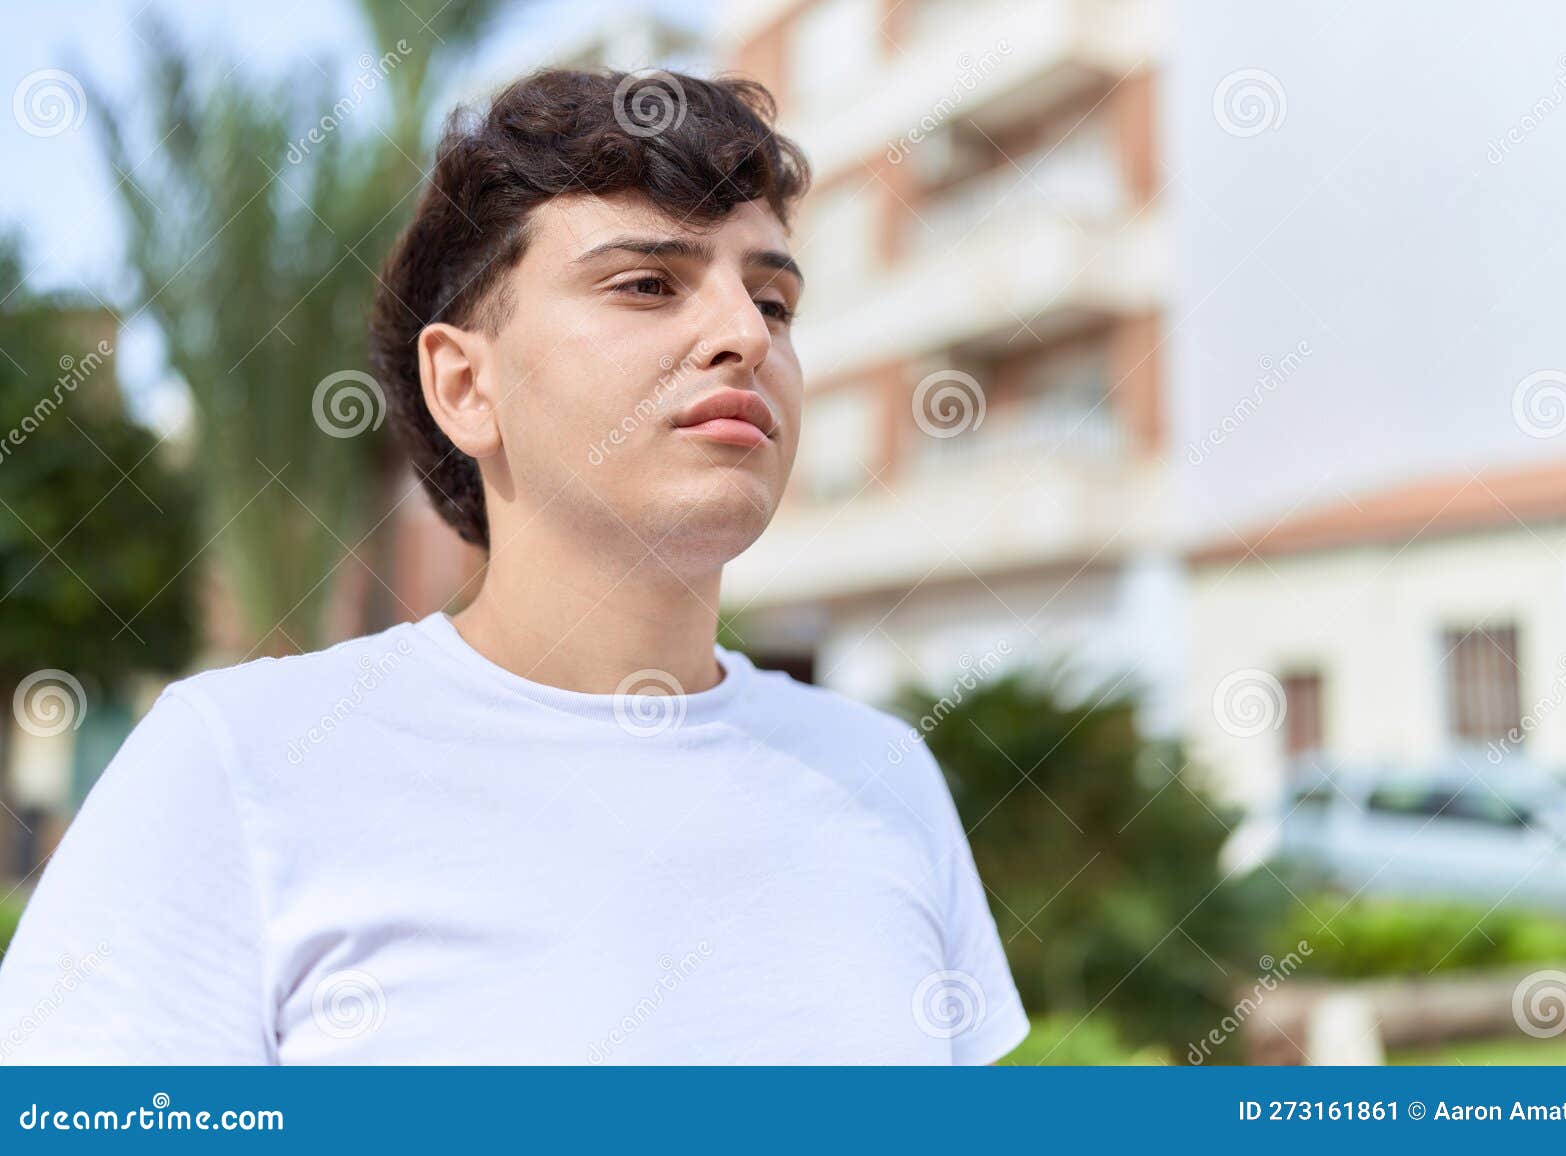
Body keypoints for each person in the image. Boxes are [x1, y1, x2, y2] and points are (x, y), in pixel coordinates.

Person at [0, 67, 1028, 1065]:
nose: (741, 336)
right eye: (646, 283)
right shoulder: (230, 765)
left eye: (773, 302)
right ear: (463, 385)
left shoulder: (883, 775)